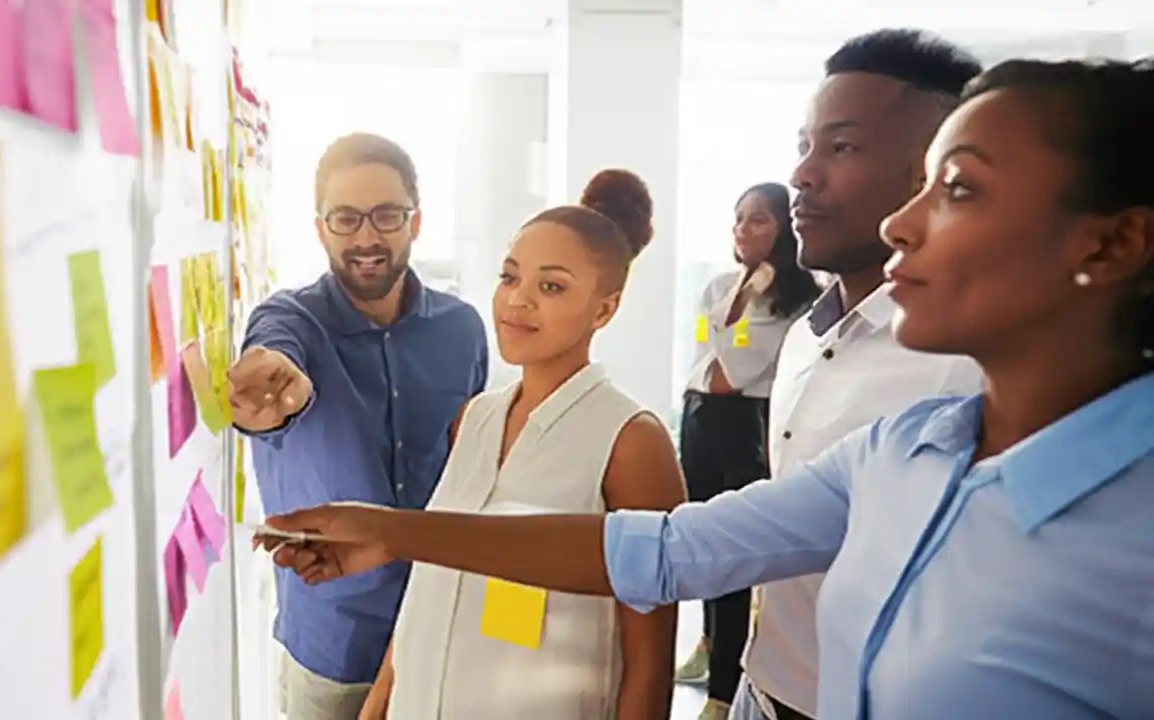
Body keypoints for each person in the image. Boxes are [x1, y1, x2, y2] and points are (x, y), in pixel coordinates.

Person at [260, 56, 1154, 720]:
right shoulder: (906, 450)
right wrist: (388, 533)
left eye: (957, 189)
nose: (899, 223)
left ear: (1111, 244)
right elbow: (666, 553)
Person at [358, 169, 685, 720]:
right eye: (510, 277)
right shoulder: (475, 418)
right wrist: (376, 705)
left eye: (551, 286)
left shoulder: (631, 441)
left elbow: (650, 662)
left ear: (604, 309)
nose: (518, 301)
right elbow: (429, 584)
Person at [732, 30, 986, 720]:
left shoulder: (968, 364)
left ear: (931, 177)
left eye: (840, 148)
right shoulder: (807, 336)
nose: (803, 176)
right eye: (804, 146)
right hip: (765, 687)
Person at [228, 133, 488, 719]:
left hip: (440, 630)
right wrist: (272, 388)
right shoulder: (289, 318)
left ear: (414, 223)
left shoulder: (463, 330)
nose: (367, 237)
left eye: (387, 216)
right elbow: (274, 356)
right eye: (345, 218)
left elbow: (470, 470)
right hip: (334, 646)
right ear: (320, 227)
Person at [673, 183, 819, 720]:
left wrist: (735, 312)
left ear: (783, 226)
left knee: (731, 554)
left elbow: (732, 374)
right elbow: (701, 363)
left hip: (741, 428)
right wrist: (730, 312)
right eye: (738, 218)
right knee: (701, 533)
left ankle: (722, 688)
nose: (743, 229)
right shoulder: (716, 285)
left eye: (757, 219)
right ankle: (710, 646)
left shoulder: (795, 298)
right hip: (699, 419)